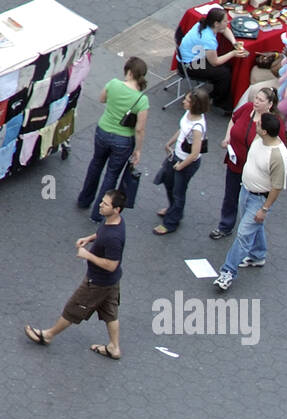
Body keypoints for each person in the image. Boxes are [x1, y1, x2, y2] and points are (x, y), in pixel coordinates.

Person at [24, 189, 128, 360]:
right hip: (111, 281)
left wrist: (87, 255)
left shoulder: (114, 238)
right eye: (102, 201)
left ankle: (48, 335)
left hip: (98, 282)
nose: (100, 205)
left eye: (105, 204)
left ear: (116, 209)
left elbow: (111, 265)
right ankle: (114, 347)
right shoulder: (113, 221)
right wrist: (89, 238)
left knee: (73, 307)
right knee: (110, 313)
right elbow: (102, 233)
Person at [214, 112, 287, 292]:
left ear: (264, 131)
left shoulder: (278, 156)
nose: (255, 124)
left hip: (259, 199)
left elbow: (277, 187)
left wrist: (264, 209)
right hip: (246, 190)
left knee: (243, 235)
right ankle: (258, 255)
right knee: (255, 226)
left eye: (258, 124)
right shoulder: (259, 138)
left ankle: (227, 272)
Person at [76, 57, 149, 222]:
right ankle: (98, 213)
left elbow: (101, 99)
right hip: (123, 141)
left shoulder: (113, 84)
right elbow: (139, 128)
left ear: (128, 72)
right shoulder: (142, 100)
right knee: (111, 176)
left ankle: (84, 199)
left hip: (102, 131)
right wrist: (138, 150)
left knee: (96, 164)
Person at [210, 87, 277, 240]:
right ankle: (225, 226)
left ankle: (249, 232)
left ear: (270, 104)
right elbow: (233, 120)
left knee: (250, 202)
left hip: (255, 171)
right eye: (256, 98)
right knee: (230, 196)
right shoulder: (247, 109)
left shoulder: (271, 123)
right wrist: (227, 138)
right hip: (236, 162)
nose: (256, 102)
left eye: (261, 100)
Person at [153, 87, 210, 235]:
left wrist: (181, 166)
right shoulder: (189, 114)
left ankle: (171, 222)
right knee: (168, 182)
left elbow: (195, 153)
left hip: (185, 163)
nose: (184, 101)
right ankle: (173, 209)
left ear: (194, 104)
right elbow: (182, 130)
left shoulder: (198, 126)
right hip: (177, 156)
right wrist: (169, 143)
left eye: (187, 100)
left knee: (179, 192)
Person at [177, 8, 249, 111]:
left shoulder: (203, 24)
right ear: (216, 23)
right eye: (225, 21)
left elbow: (225, 29)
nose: (227, 22)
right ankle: (218, 100)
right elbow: (215, 62)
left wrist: (234, 43)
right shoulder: (208, 40)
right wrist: (233, 53)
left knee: (225, 65)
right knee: (224, 73)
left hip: (190, 57)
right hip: (190, 65)